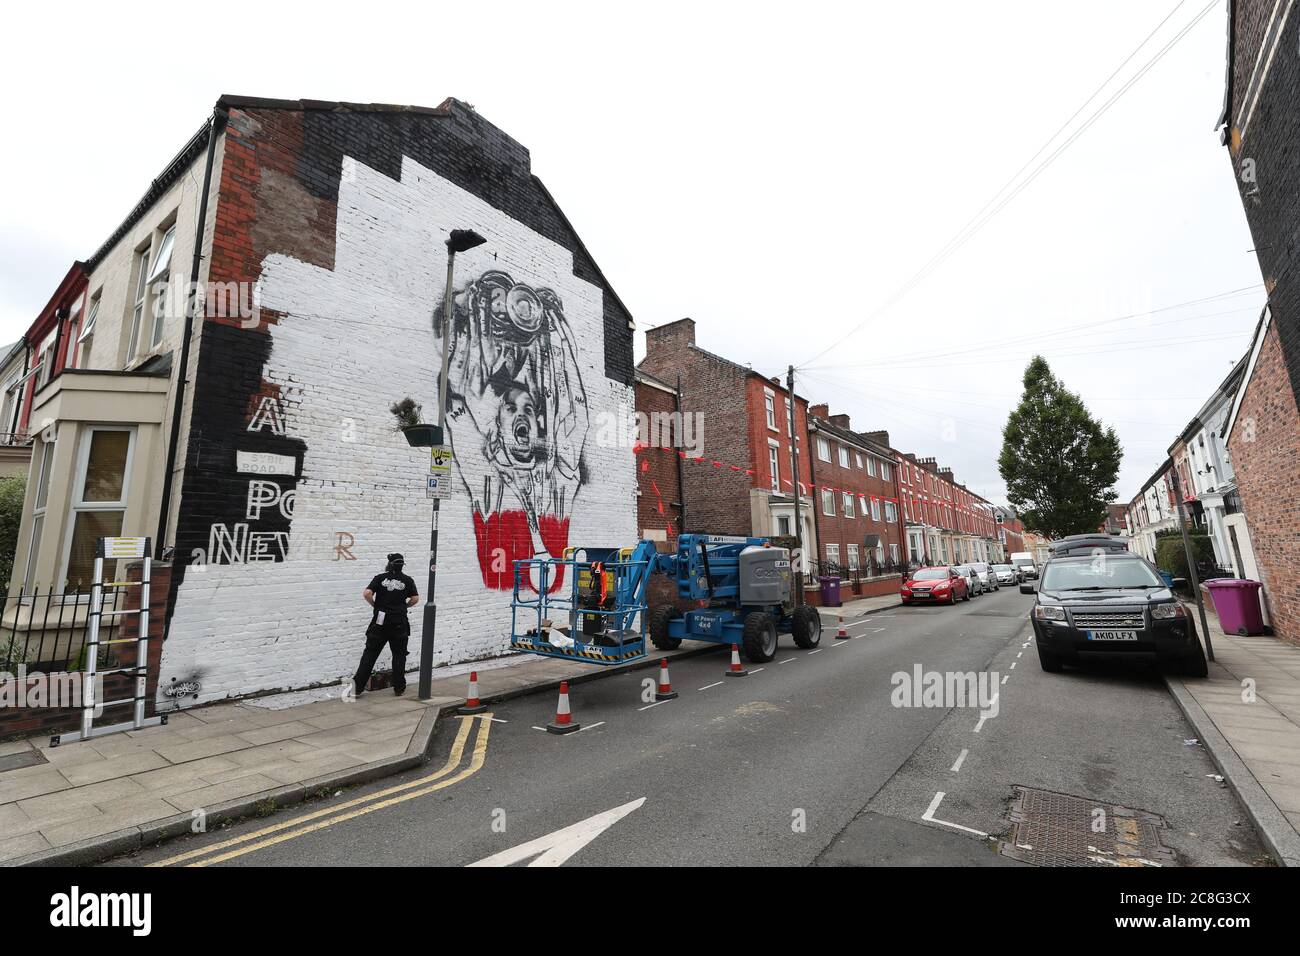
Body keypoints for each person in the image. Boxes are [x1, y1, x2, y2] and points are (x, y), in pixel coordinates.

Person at [353, 553, 419, 696]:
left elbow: (367, 593)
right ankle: (399, 688)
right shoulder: (408, 580)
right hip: (399, 622)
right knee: (399, 655)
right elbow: (415, 599)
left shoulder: (380, 578)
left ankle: (357, 688)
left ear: (389, 565)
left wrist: (375, 605)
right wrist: (405, 607)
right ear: (402, 565)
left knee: (370, 654)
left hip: (380, 621)